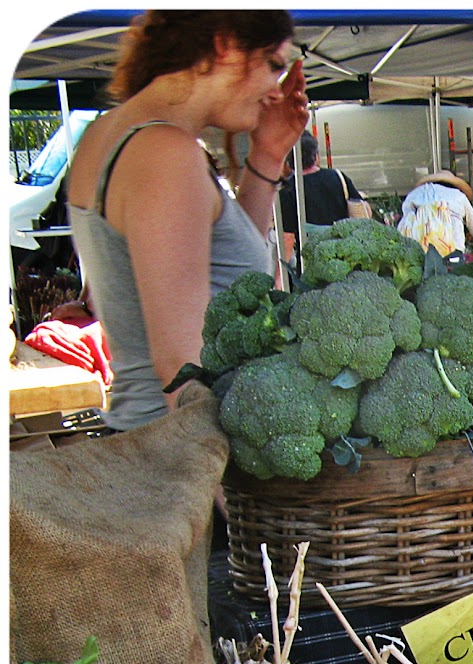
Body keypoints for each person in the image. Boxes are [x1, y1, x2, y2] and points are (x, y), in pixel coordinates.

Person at [65, 9, 307, 432]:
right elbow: (184, 370)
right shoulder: (165, 154)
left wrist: (267, 155)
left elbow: (230, 281)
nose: (275, 90)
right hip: (183, 452)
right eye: (273, 65)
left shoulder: (110, 133)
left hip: (146, 436)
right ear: (225, 45)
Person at [277, 128, 364, 260]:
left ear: (289, 161)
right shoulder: (338, 176)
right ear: (316, 156)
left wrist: (280, 270)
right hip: (346, 255)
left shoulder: (287, 190)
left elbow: (287, 237)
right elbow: (361, 208)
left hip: (311, 260)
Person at [398, 171, 473, 257]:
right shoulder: (458, 195)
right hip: (452, 251)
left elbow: (405, 224)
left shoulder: (414, 194)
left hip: (419, 250)